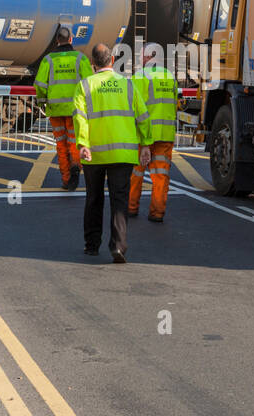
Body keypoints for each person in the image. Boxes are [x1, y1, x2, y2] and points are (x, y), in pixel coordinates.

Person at [72, 43, 151, 263]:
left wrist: (83, 144)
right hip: (123, 155)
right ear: (113, 60)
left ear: (92, 63)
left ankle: (91, 245)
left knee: (94, 198)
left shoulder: (85, 86)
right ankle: (118, 246)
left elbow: (80, 118)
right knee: (119, 200)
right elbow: (143, 116)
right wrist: (145, 145)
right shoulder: (127, 85)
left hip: (94, 154)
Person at [34, 26, 94, 191]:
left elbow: (39, 84)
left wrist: (41, 101)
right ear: (71, 39)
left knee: (61, 144)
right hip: (75, 110)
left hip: (55, 110)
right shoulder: (80, 59)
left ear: (56, 40)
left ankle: (67, 180)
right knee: (74, 142)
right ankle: (76, 165)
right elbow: (89, 84)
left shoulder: (48, 60)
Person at [128, 61, 178, 222]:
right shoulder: (170, 77)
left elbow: (134, 107)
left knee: (135, 172)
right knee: (161, 175)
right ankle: (157, 212)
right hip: (165, 133)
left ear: (147, 57)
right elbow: (174, 103)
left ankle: (131, 207)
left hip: (144, 134)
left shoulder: (141, 76)